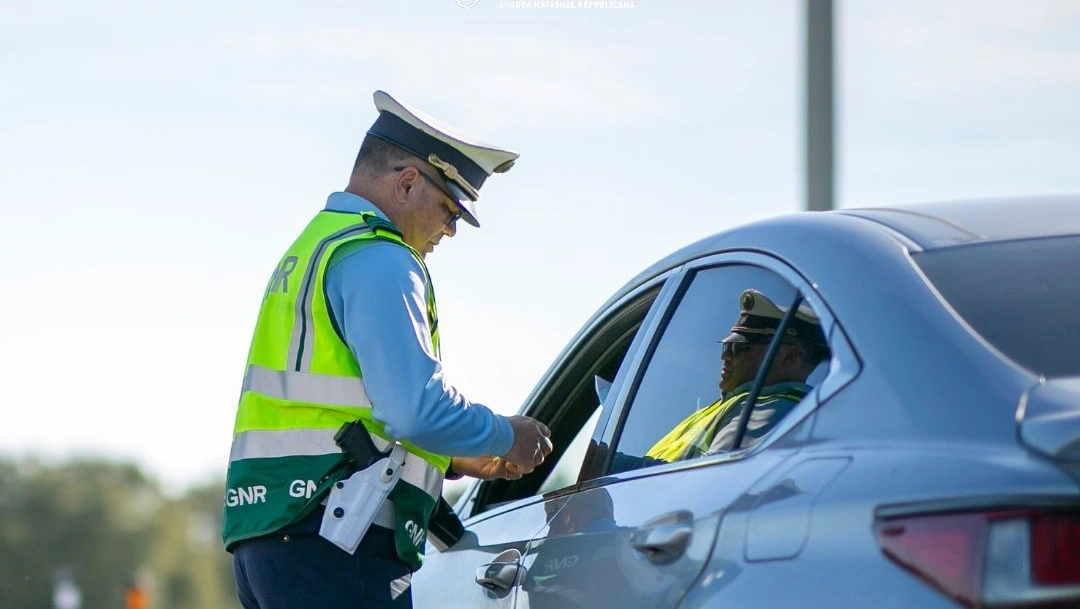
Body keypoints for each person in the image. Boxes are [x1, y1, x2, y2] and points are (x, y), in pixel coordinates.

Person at [223, 90, 554, 609]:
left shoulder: (319, 245)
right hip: (337, 541)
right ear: (406, 182)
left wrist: (450, 457)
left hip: (277, 535)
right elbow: (411, 408)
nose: (449, 230)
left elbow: (341, 406)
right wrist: (505, 434)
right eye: (450, 208)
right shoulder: (380, 257)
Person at [614, 289, 830, 472]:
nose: (724, 356)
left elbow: (708, 483)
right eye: (727, 346)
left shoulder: (772, 408)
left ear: (789, 356)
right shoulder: (728, 407)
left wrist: (612, 463)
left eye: (739, 347)